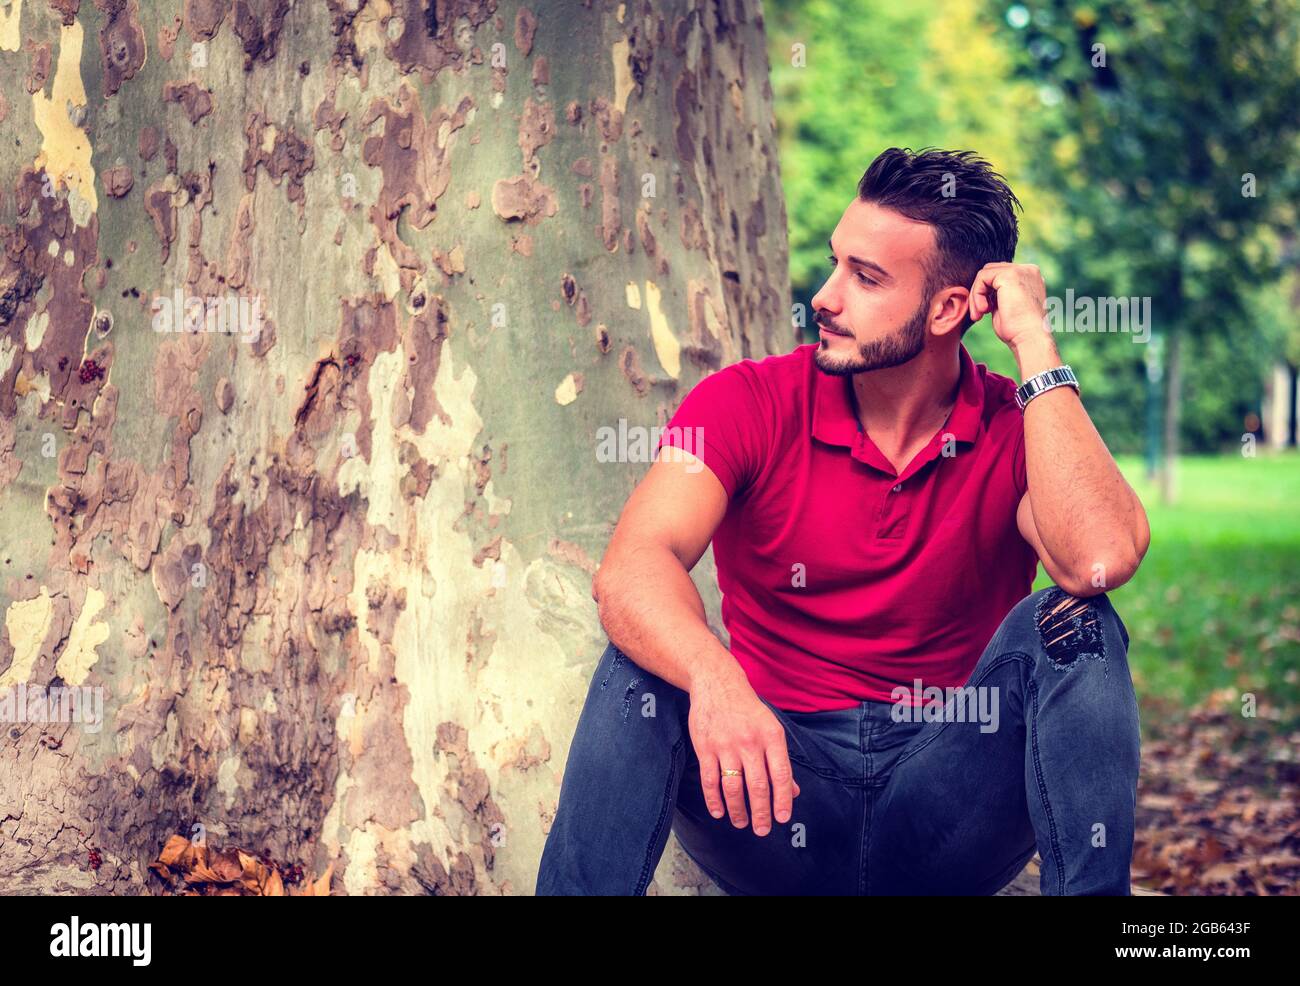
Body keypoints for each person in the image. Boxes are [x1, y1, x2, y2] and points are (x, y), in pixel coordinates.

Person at [536, 147, 1150, 896]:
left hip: (947, 806)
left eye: (866, 278)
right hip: (773, 797)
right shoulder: (748, 402)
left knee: (1076, 623)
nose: (825, 296)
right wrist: (713, 676)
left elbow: (1101, 559)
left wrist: (1034, 344)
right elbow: (632, 568)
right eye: (835, 264)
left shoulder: (1009, 428)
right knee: (645, 660)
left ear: (949, 310)